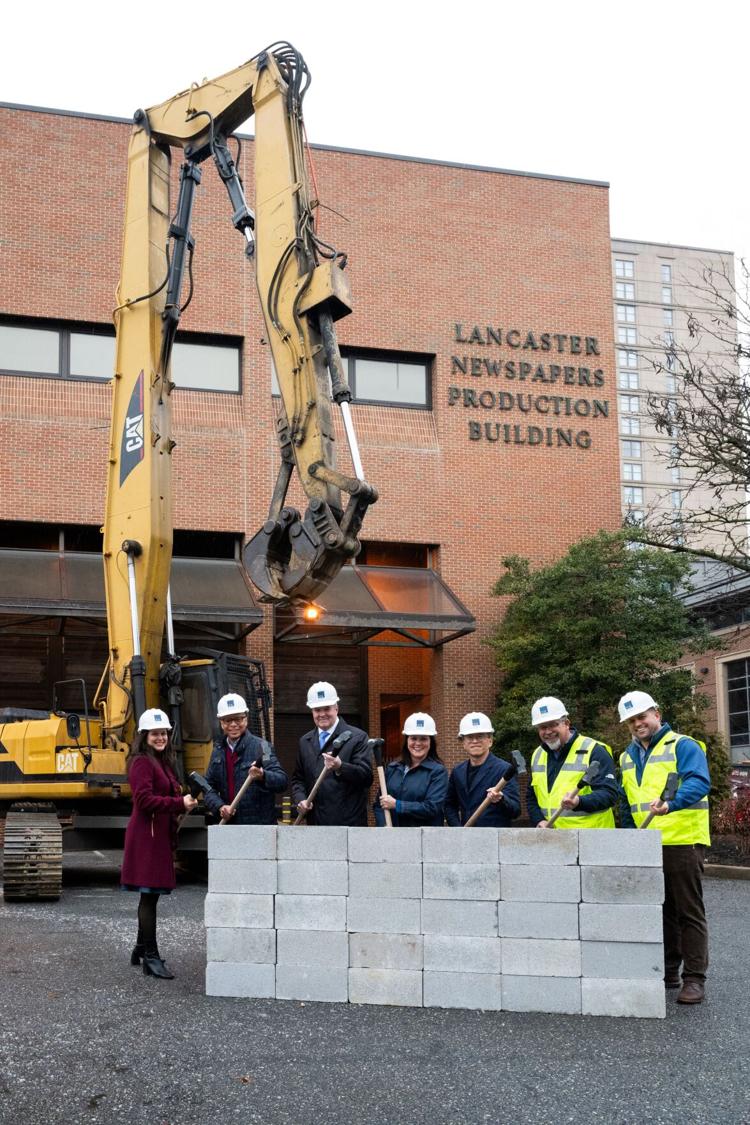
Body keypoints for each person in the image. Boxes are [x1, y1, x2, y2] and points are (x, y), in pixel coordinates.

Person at [617, 689, 711, 1005]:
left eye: (641, 716)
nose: (637, 723)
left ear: (657, 713)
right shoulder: (627, 756)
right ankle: (669, 971)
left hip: (682, 840)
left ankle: (694, 979)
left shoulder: (683, 745)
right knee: (662, 911)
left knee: (689, 912)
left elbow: (698, 783)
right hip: (648, 843)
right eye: (631, 720)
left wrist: (671, 804)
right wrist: (631, 838)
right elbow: (630, 803)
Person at [121, 708, 197, 980]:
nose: (161, 737)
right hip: (147, 837)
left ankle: (141, 948)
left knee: (150, 895)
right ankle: (150, 958)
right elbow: (143, 800)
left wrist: (184, 798)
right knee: (149, 896)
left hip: (157, 835)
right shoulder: (142, 762)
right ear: (144, 736)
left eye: (163, 732)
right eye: (155, 733)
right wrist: (178, 803)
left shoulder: (162, 761)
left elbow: (167, 793)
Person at [527, 696, 618, 829]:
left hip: (593, 839)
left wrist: (579, 802)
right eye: (542, 727)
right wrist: (539, 820)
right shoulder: (538, 754)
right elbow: (531, 797)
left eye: (553, 724)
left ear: (567, 723)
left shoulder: (594, 750)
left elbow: (609, 794)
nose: (548, 732)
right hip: (554, 839)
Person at [292, 681, 373, 825]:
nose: (322, 714)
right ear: (312, 711)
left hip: (348, 826)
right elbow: (298, 779)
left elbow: (366, 777)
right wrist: (301, 799)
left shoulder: (357, 737)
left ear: (336, 708)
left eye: (327, 709)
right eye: (317, 710)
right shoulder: (305, 741)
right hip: (316, 823)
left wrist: (341, 767)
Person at [202, 693, 287, 823]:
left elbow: (282, 781)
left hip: (259, 827)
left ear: (246, 719)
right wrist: (219, 807)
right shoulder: (217, 751)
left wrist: (263, 776)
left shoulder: (264, 746)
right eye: (228, 720)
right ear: (221, 723)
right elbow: (208, 788)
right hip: (230, 827)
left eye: (238, 719)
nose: (233, 724)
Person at [445, 712, 520, 827]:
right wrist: (457, 829)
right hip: (466, 838)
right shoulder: (458, 772)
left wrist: (502, 799)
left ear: (490, 740)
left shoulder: (504, 770)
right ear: (463, 743)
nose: (475, 741)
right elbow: (449, 805)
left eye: (480, 736)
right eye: (470, 737)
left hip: (494, 840)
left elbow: (516, 810)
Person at [375, 712, 449, 827]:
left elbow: (432, 808)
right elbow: (379, 804)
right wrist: (384, 825)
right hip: (393, 837)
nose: (418, 743)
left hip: (424, 839)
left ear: (431, 742)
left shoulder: (438, 772)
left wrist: (398, 805)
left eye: (423, 739)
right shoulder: (393, 768)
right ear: (407, 740)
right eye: (413, 738)